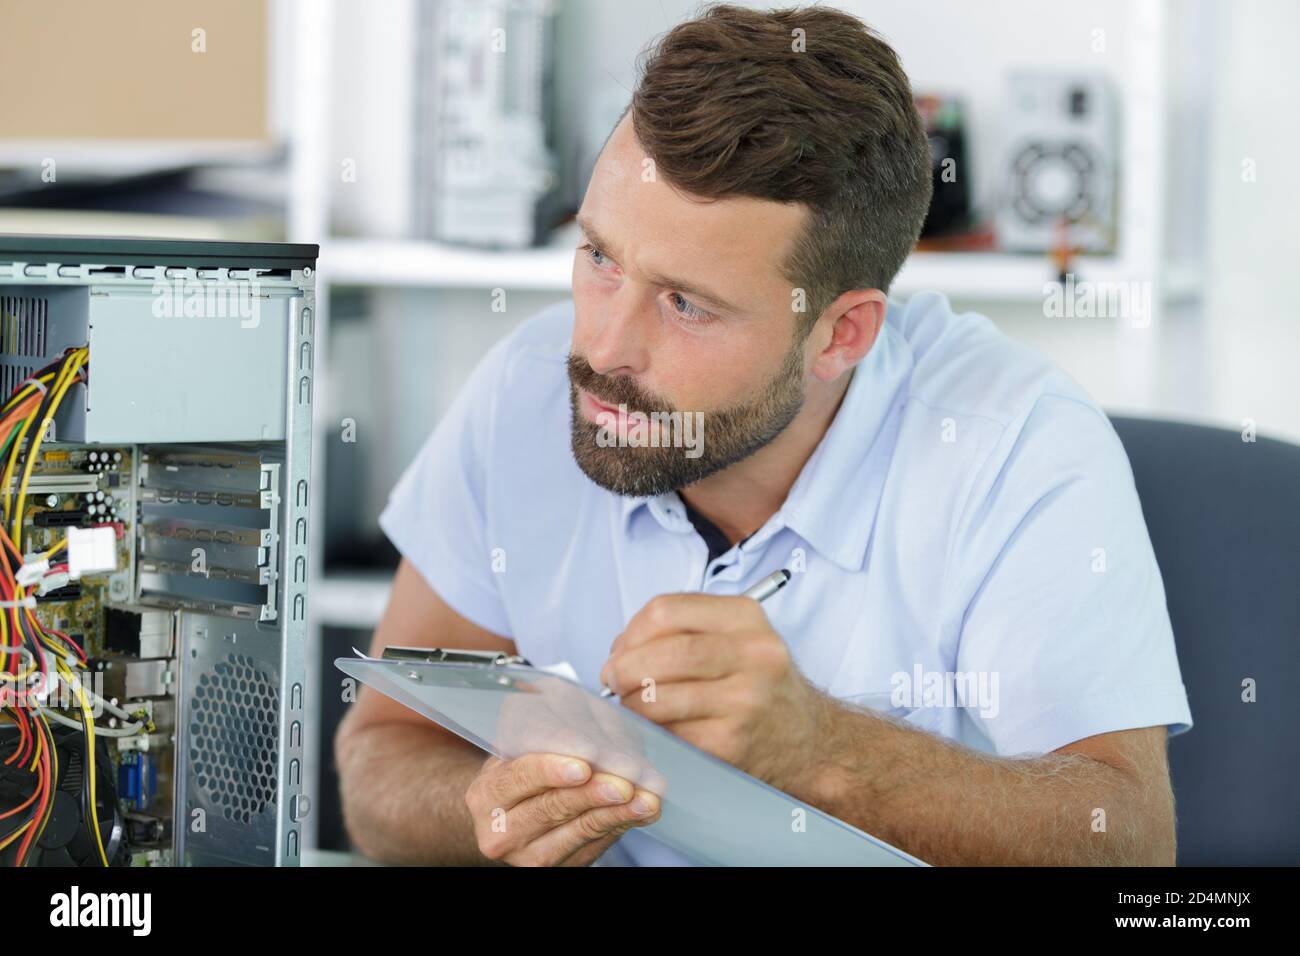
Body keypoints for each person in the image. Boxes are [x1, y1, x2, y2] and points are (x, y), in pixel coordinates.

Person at [336, 3, 1191, 867]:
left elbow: (1127, 840)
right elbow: (382, 758)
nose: (602, 348)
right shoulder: (523, 392)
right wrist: (482, 810)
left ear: (841, 334)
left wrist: (821, 750)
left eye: (687, 304)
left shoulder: (1016, 446)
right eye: (600, 259)